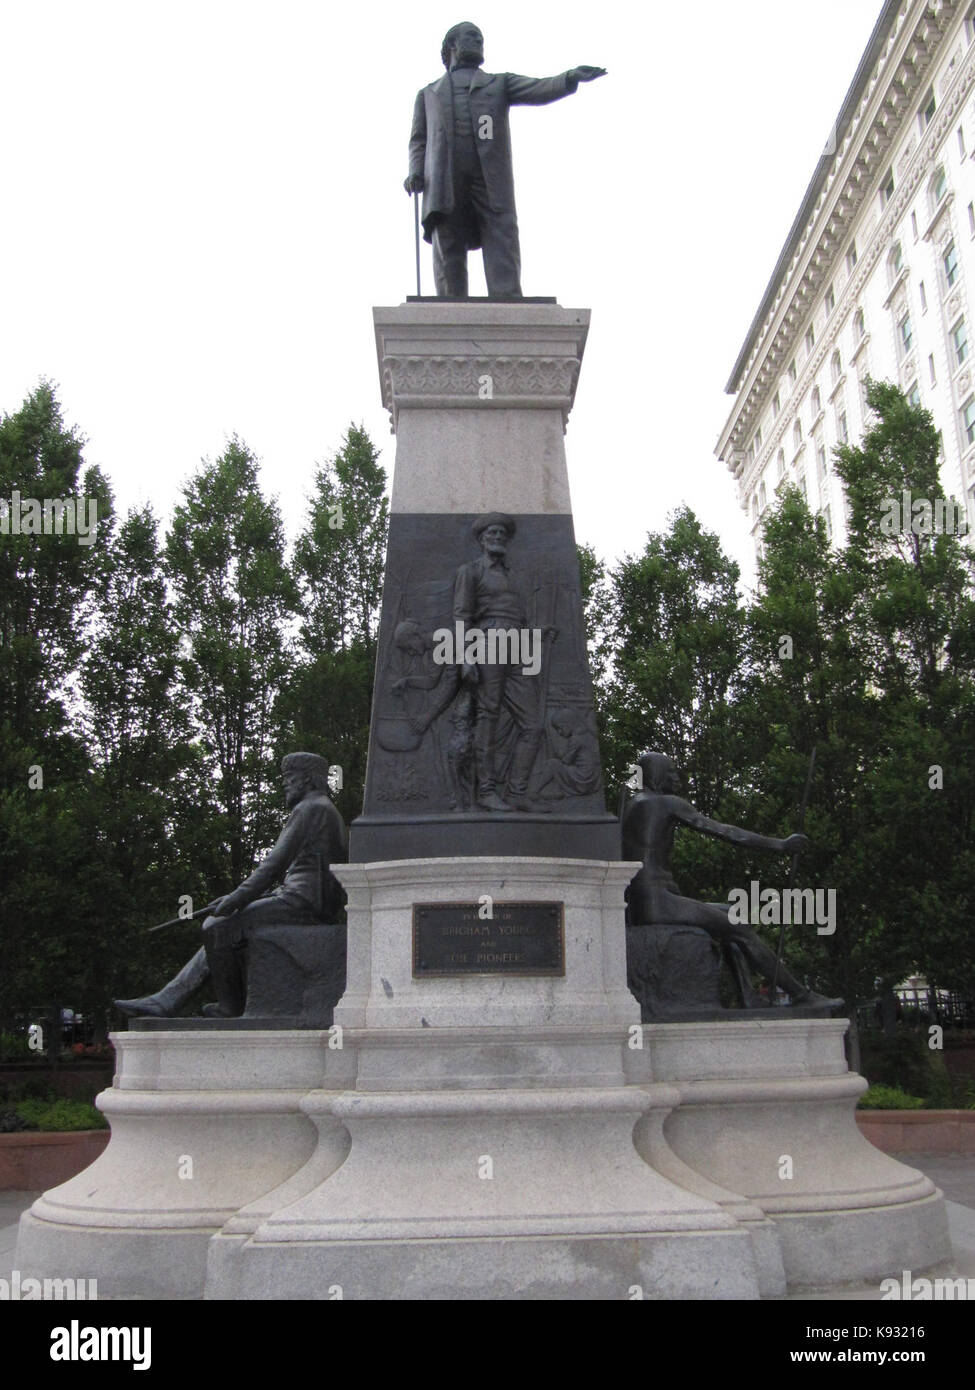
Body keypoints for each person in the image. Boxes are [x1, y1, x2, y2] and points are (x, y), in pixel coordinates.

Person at [115, 753, 346, 1019]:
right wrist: (235, 899)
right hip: (302, 898)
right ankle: (167, 999)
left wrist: (236, 899)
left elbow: (272, 865)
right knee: (224, 926)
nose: (284, 784)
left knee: (215, 926)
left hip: (303, 901)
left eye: (289, 778)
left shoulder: (311, 808)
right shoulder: (322, 808)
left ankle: (226, 1006)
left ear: (307, 779)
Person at [622, 751, 841, 1010]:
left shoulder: (632, 806)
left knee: (734, 916)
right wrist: (780, 846)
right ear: (658, 775)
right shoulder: (666, 803)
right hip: (658, 902)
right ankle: (801, 995)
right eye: (671, 771)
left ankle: (748, 995)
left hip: (645, 901)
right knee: (740, 927)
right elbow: (725, 831)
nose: (677, 777)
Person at [405, 22, 605, 297]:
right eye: (471, 37)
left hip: (489, 176)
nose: (478, 41)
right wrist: (415, 171)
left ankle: (507, 300)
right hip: (443, 178)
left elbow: (538, 88)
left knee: (500, 235)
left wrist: (569, 78)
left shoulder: (498, 83)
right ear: (451, 45)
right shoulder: (429, 94)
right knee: (448, 242)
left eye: (480, 38)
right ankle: (449, 307)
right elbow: (419, 139)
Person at [452, 512, 552, 811]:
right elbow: (461, 616)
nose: (497, 538)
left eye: (501, 534)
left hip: (519, 644)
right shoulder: (470, 571)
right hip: (488, 641)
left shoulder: (514, 575)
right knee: (488, 716)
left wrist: (538, 633)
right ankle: (486, 791)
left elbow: (516, 614)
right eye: (492, 533)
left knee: (533, 724)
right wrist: (463, 657)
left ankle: (518, 792)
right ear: (482, 540)